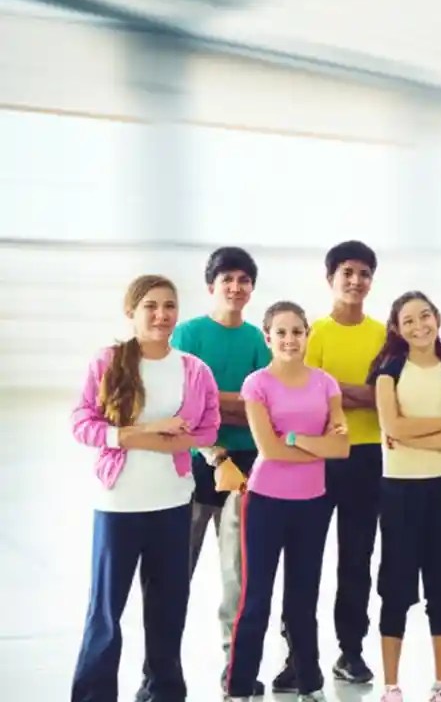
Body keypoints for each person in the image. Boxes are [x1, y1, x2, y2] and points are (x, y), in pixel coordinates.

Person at [70, 274, 220, 702]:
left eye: (169, 306)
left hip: (172, 503)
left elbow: (207, 428)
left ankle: (164, 690)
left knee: (168, 609)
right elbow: (82, 423)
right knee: (106, 613)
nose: (161, 314)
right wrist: (148, 433)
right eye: (150, 306)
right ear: (131, 312)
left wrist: (168, 441)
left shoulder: (194, 370)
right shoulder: (109, 361)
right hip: (119, 505)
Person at [138, 247, 270, 699]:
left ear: (252, 288)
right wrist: (222, 410)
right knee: (174, 578)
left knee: (238, 578)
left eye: (244, 280)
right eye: (227, 279)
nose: (236, 287)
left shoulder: (258, 339)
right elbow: (188, 409)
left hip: (247, 472)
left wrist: (217, 404)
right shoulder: (190, 334)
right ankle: (156, 675)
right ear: (211, 285)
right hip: (192, 469)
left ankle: (237, 670)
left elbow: (260, 408)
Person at [273, 240, 386, 690]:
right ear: (330, 279)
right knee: (304, 561)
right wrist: (364, 392)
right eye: (347, 273)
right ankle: (296, 656)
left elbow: (386, 397)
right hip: (316, 458)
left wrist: (339, 389)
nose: (355, 281)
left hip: (368, 457)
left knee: (357, 559)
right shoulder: (312, 332)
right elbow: (305, 395)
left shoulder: (383, 334)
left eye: (363, 273)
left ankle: (351, 651)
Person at [225, 301, 351, 702]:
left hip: (312, 504)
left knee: (303, 598)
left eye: (297, 331)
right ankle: (240, 687)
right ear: (268, 338)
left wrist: (297, 439)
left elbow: (343, 446)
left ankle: (309, 684)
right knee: (256, 597)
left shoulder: (326, 383)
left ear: (306, 335)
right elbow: (270, 450)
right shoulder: (257, 385)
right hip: (265, 502)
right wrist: (318, 447)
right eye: (281, 332)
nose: (290, 339)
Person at [371, 292, 441, 702]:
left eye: (425, 316)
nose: (419, 326)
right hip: (399, 490)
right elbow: (391, 426)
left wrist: (417, 431)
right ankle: (391, 686)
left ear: (437, 317)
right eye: (409, 320)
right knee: (395, 587)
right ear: (397, 328)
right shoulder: (388, 371)